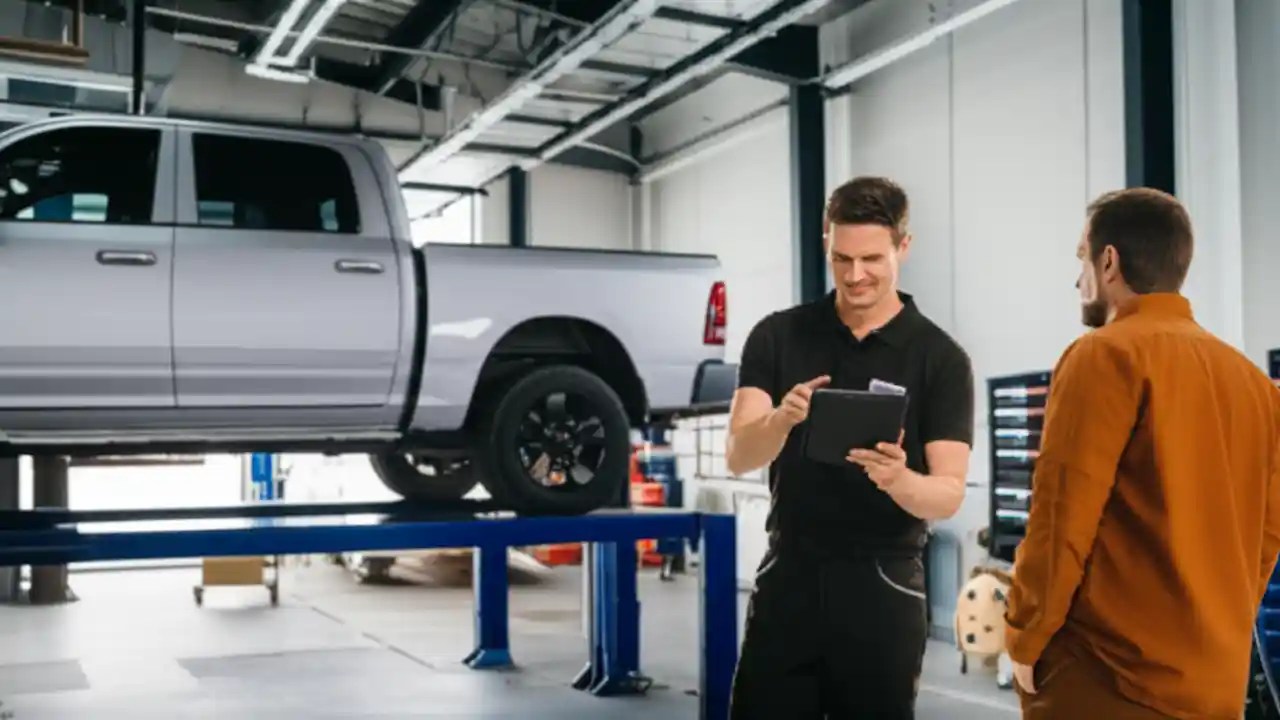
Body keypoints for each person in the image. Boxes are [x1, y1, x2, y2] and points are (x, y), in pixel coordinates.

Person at [1004, 187, 1280, 719]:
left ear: (1109, 261)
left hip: (1110, 678)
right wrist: (1221, 629)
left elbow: (1061, 520)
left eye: (1081, 258)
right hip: (1215, 684)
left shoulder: (1102, 356)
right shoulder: (1255, 385)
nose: (1078, 278)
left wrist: (1025, 637)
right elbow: (1267, 535)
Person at [725, 176, 975, 718]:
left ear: (903, 247)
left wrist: (897, 479)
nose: (855, 275)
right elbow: (739, 455)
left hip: (883, 581)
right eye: (841, 258)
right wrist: (781, 419)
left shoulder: (941, 359)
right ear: (825, 244)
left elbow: (948, 493)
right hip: (790, 571)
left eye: (872, 259)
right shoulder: (777, 336)